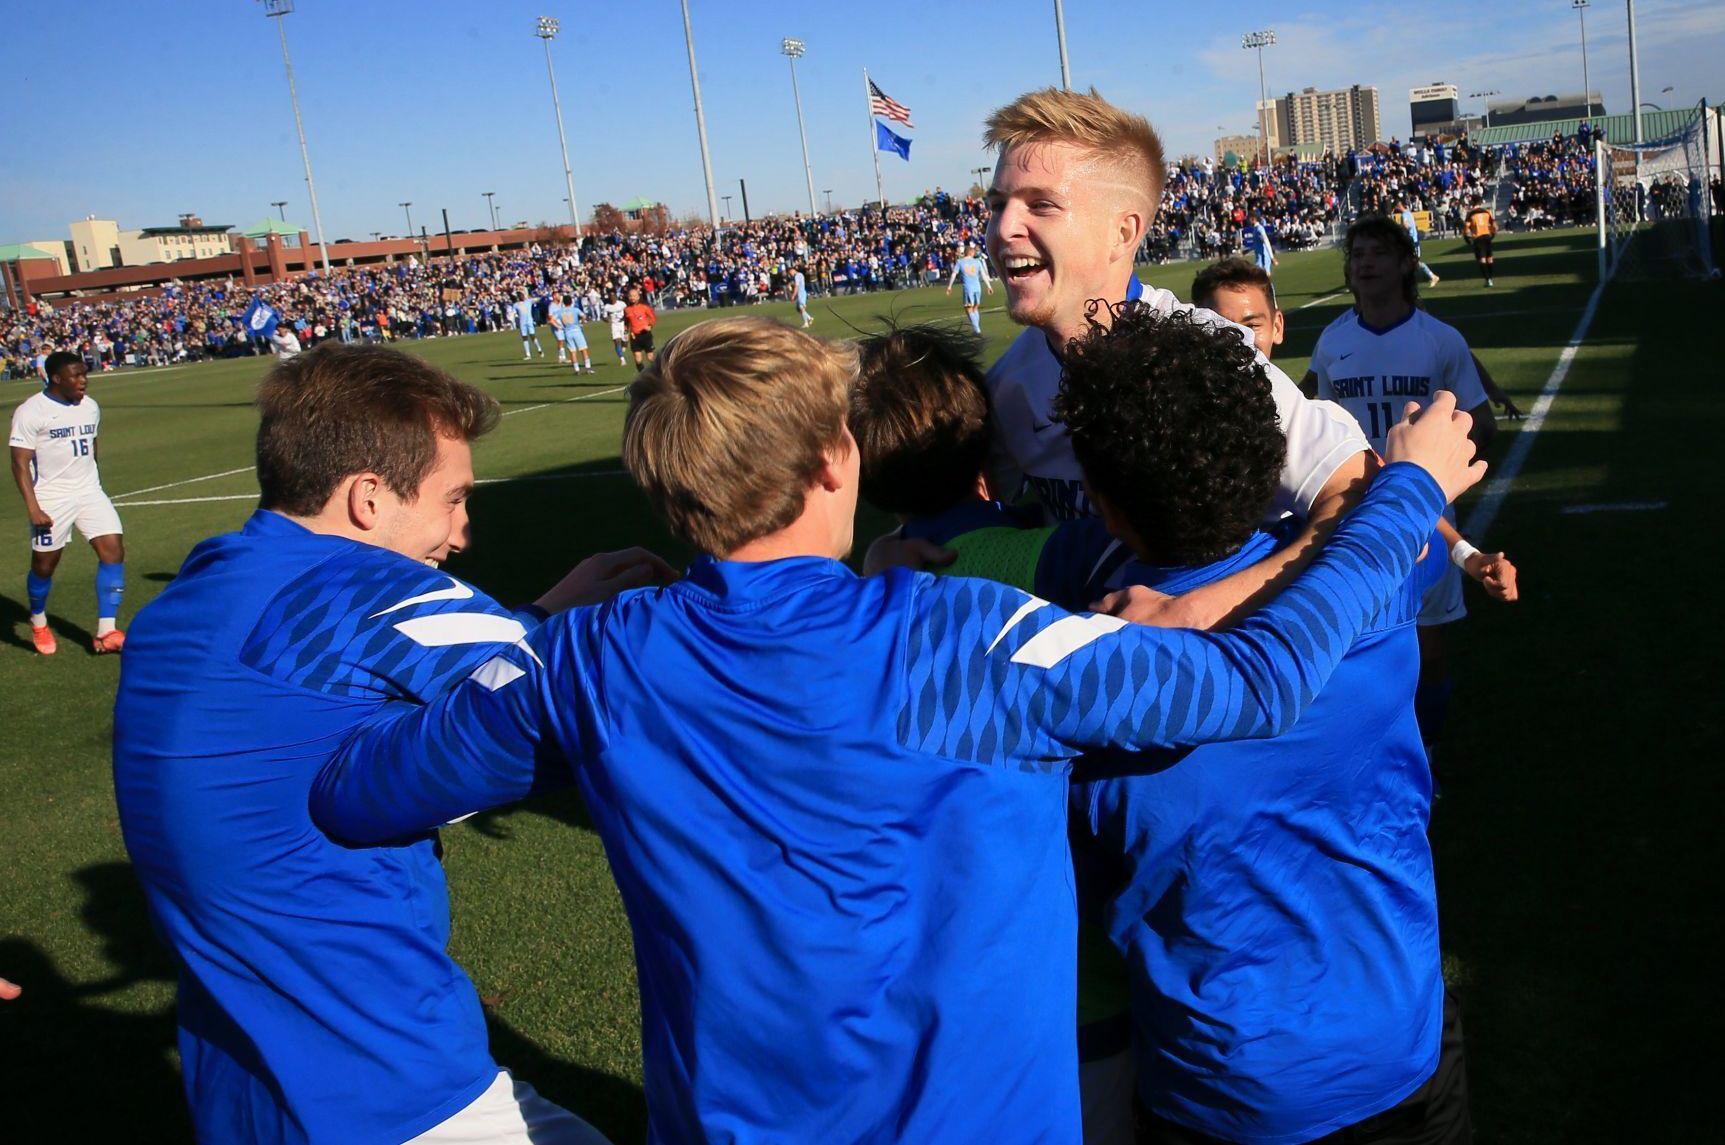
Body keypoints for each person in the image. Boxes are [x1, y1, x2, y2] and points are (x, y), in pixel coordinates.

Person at [309, 316, 1483, 1145]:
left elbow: (359, 792)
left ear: (675, 496)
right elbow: (1257, 680)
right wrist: (1407, 493)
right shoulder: (964, 638)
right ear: (836, 460)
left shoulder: (597, 661)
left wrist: (538, 629)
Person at [848, 310, 1474, 1145]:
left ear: (1101, 502)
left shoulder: (1073, 663)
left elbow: (982, 565)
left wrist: (896, 568)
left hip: (1212, 1082)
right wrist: (1406, 482)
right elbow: (1383, 535)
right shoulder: (1380, 576)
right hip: (1395, 1044)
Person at [114, 345, 667, 1145]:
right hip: (382, 1084)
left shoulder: (198, 591)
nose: (463, 533)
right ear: (368, 498)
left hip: (241, 1087)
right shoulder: (365, 590)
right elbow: (582, 687)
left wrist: (539, 614)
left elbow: (334, 666)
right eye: (453, 499)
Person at [972, 87, 1374, 628]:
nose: (1002, 229)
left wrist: (1198, 607)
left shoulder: (1213, 361)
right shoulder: (1007, 387)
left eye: (1041, 204)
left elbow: (1359, 497)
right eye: (998, 204)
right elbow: (990, 518)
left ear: (1124, 231)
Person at [1192, 258, 1519, 606]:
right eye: (1219, 325)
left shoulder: (1313, 424)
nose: (1239, 338)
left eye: (1251, 324)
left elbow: (1391, 490)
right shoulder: (1165, 418)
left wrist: (1467, 555)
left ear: (1277, 326)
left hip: (1287, 609)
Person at [1303, 214, 1495, 750]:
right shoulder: (1332, 338)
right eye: (1357, 254)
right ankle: (1370, 748)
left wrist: (1445, 468)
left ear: (1406, 263)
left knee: (1429, 651)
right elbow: (1319, 416)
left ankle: (1426, 749)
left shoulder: (1440, 339)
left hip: (1425, 508)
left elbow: (1483, 422)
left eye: (1378, 254)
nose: (1364, 263)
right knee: (1353, 641)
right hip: (1350, 508)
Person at [8, 351, 125, 655]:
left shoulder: (90, 407)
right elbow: (20, 463)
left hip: (88, 491)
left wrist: (94, 484)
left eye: (85, 374)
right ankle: (38, 619)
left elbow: (92, 445)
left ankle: (106, 631)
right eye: (76, 375)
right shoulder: (31, 411)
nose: (84, 380)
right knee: (44, 565)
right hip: (51, 496)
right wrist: (33, 507)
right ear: (57, 378)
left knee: (113, 549)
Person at [945, 242, 994, 334]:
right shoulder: (977, 262)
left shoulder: (960, 262)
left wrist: (949, 286)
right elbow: (983, 275)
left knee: (968, 309)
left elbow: (954, 274)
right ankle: (976, 328)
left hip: (968, 288)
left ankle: (977, 329)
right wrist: (989, 286)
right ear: (971, 253)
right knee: (975, 308)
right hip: (977, 287)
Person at [1395, 202, 1441, 286]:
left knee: (1414, 262)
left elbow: (1406, 226)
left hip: (1412, 242)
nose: (1396, 209)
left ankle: (1432, 276)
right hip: (1411, 241)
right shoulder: (1409, 213)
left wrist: (1400, 228)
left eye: (1396, 207)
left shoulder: (1404, 215)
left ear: (1399, 205)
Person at [1463, 198, 1498, 286]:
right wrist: (1493, 234)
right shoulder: (1486, 212)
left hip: (1478, 238)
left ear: (1472, 203)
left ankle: (1487, 280)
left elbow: (1466, 227)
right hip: (1487, 236)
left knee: (1482, 259)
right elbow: (1494, 225)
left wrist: (1466, 237)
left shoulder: (1470, 213)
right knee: (1489, 258)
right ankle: (1490, 278)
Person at [622, 285, 657, 372]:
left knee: (650, 357)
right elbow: (626, 322)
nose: (632, 298)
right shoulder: (627, 310)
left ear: (638, 297)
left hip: (645, 335)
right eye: (630, 296)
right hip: (634, 337)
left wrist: (650, 326)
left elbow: (653, 318)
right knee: (638, 359)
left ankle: (659, 371)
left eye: (634, 296)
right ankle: (643, 375)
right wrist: (625, 332)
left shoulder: (644, 307)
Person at [558, 292, 592, 373]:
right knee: (583, 349)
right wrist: (582, 322)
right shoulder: (575, 309)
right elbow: (584, 316)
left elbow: (551, 319)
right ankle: (588, 368)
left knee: (572, 351)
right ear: (571, 301)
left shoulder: (560, 311)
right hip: (576, 330)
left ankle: (576, 369)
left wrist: (559, 326)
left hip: (567, 332)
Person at [512, 290, 542, 359]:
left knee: (532, 336)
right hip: (522, 323)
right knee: (524, 337)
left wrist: (539, 296)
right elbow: (514, 313)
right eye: (520, 296)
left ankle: (539, 349)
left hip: (529, 322)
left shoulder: (528, 301)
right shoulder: (516, 305)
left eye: (522, 295)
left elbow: (538, 299)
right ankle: (528, 354)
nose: (522, 297)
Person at [603, 291, 629, 364]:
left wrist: (626, 321)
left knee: (625, 342)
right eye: (610, 297)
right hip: (614, 325)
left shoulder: (622, 304)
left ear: (616, 297)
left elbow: (627, 312)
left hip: (622, 324)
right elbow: (604, 317)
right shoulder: (607, 307)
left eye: (613, 296)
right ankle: (622, 359)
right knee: (617, 341)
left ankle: (624, 346)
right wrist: (607, 320)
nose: (612, 298)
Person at [791, 264, 813, 328]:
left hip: (801, 294)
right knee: (798, 309)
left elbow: (797, 286)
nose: (790, 274)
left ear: (793, 270)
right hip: (801, 293)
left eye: (790, 272)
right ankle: (809, 318)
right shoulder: (800, 274)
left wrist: (793, 295)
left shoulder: (797, 276)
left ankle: (806, 323)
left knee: (801, 308)